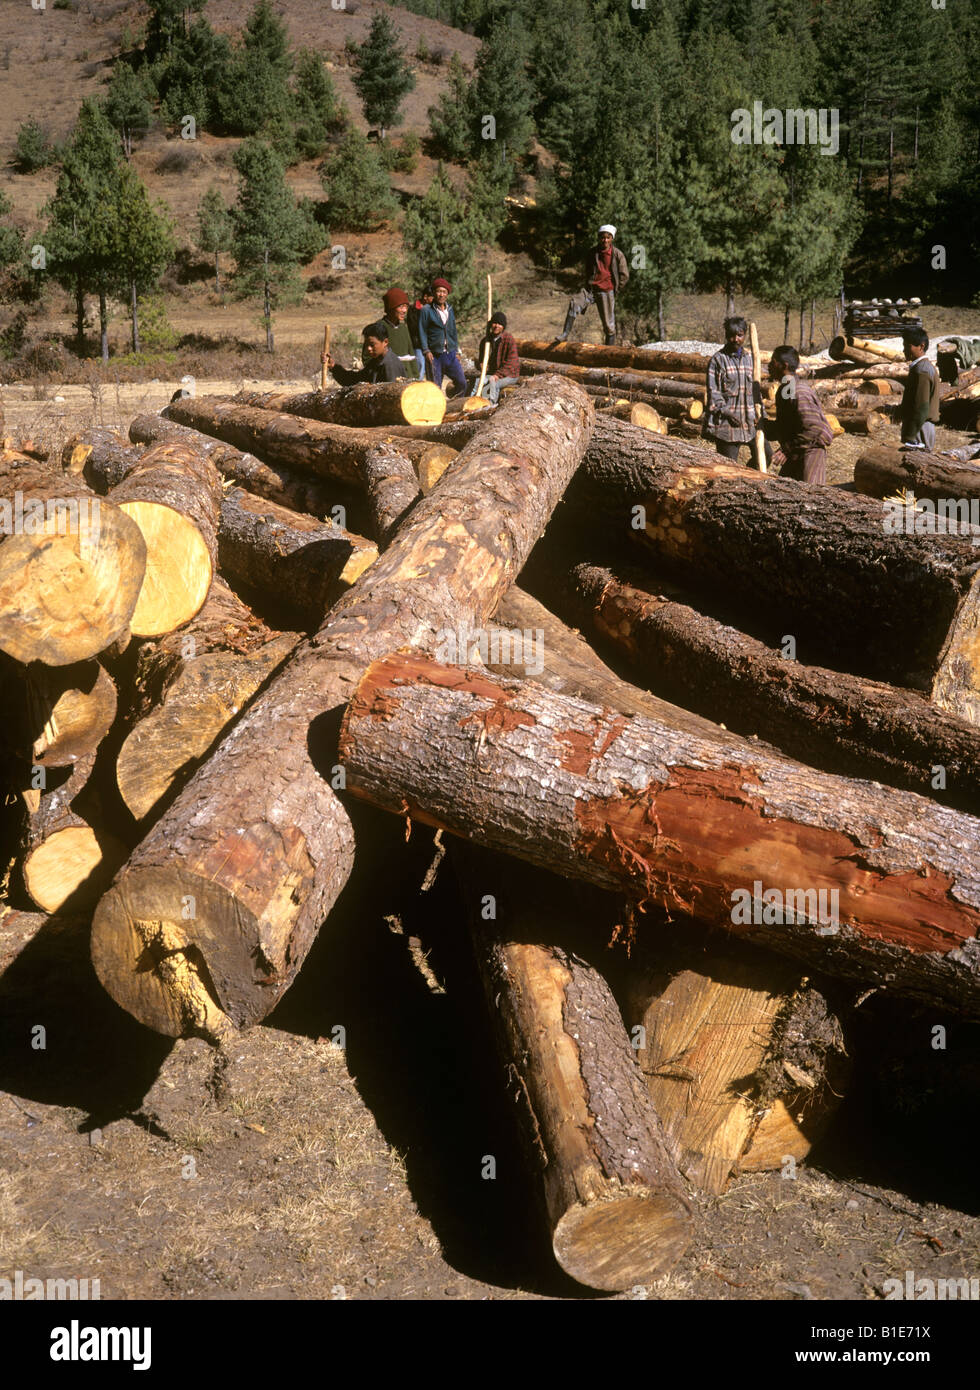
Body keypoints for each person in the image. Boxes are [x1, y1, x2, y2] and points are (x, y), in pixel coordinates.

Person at [762, 345, 834, 485]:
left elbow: (813, 429)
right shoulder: (785, 390)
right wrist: (762, 425)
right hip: (796, 452)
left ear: (784, 365)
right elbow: (787, 426)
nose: (769, 366)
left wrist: (786, 449)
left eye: (773, 362)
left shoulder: (798, 392)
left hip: (810, 452)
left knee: (811, 498)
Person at [557, 224, 629, 347]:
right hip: (590, 289)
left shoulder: (617, 254)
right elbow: (588, 271)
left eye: (608, 237)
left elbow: (624, 275)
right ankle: (564, 334)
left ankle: (608, 352)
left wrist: (615, 289)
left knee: (608, 325)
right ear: (599, 238)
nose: (605, 240)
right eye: (602, 237)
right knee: (575, 303)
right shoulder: (592, 253)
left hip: (606, 291)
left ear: (612, 239)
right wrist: (588, 284)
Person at [704, 316, 762, 462]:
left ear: (745, 336)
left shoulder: (750, 359)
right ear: (726, 336)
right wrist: (728, 413)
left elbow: (756, 390)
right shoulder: (718, 360)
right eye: (731, 335)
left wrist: (760, 414)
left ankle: (749, 480)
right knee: (728, 467)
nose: (735, 339)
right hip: (727, 425)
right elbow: (713, 394)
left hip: (750, 423)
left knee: (766, 455)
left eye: (739, 335)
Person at [418, 278, 467, 395]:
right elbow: (422, 331)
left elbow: (453, 331)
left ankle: (457, 406)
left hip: (450, 354)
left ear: (447, 294)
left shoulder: (450, 310)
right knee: (435, 388)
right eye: (438, 291)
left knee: (462, 383)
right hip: (435, 355)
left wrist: (457, 350)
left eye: (444, 292)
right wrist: (426, 351)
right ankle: (434, 412)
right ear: (434, 293)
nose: (441, 294)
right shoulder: (426, 310)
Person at [324, 320, 405, 386]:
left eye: (372, 345)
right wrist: (334, 367)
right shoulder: (375, 362)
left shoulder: (391, 365)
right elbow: (354, 381)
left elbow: (392, 396)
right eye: (366, 345)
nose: (368, 349)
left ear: (385, 342)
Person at [900, 328, 940, 451]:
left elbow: (921, 407)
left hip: (920, 428)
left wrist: (910, 435)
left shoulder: (921, 371)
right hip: (920, 426)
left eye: (908, 346)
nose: (904, 350)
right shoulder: (921, 368)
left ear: (921, 346)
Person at [470, 311, 520, 404]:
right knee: (478, 382)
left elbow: (511, 363)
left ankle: (491, 405)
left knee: (493, 383)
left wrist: (497, 375)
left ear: (503, 326)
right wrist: (482, 365)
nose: (496, 326)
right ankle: (470, 402)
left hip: (509, 375)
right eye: (494, 323)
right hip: (493, 373)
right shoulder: (486, 341)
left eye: (500, 324)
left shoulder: (509, 339)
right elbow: (482, 360)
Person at [380, 288, 421, 380]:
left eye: (406, 307)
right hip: (389, 379)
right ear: (391, 307)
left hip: (408, 376)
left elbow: (410, 352)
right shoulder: (379, 327)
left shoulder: (403, 328)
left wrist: (416, 376)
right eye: (401, 307)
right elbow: (368, 357)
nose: (404, 310)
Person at [408, 286, 433, 380]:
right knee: (420, 369)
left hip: (430, 345)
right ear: (425, 296)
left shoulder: (432, 309)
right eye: (432, 297)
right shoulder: (413, 309)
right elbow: (414, 328)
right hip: (417, 345)